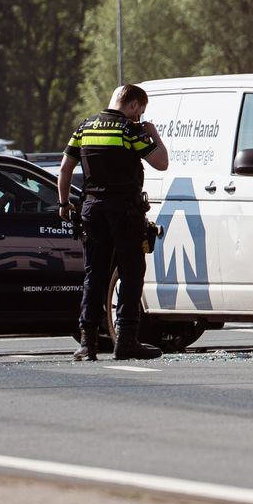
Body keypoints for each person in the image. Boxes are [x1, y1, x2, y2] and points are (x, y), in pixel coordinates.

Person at [58, 84, 169, 362]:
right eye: (140, 111)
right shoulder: (129, 130)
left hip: (92, 209)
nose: (139, 116)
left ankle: (87, 344)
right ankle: (126, 340)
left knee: (94, 274)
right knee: (131, 272)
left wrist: (63, 204)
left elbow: (65, 168)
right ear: (133, 105)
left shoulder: (84, 128)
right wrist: (153, 134)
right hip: (123, 210)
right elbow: (162, 162)